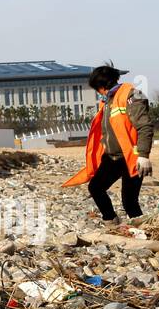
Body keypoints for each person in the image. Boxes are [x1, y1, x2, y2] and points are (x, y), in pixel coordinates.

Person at [64, 63, 154, 220]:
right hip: (112, 157)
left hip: (131, 158)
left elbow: (145, 126)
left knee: (129, 202)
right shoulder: (107, 102)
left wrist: (144, 155)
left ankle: (145, 231)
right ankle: (111, 220)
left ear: (102, 86)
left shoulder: (132, 96)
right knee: (96, 187)